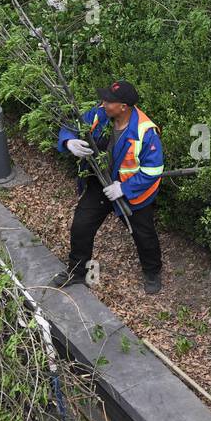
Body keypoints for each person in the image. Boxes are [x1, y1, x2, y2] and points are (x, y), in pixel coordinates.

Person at [53, 80, 165, 294]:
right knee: (81, 225)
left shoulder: (144, 132)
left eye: (109, 101)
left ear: (123, 107)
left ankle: (152, 272)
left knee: (144, 234)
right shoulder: (100, 114)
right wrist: (69, 143)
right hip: (101, 183)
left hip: (133, 193)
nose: (103, 103)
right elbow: (71, 126)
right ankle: (78, 272)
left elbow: (153, 170)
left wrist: (124, 189)